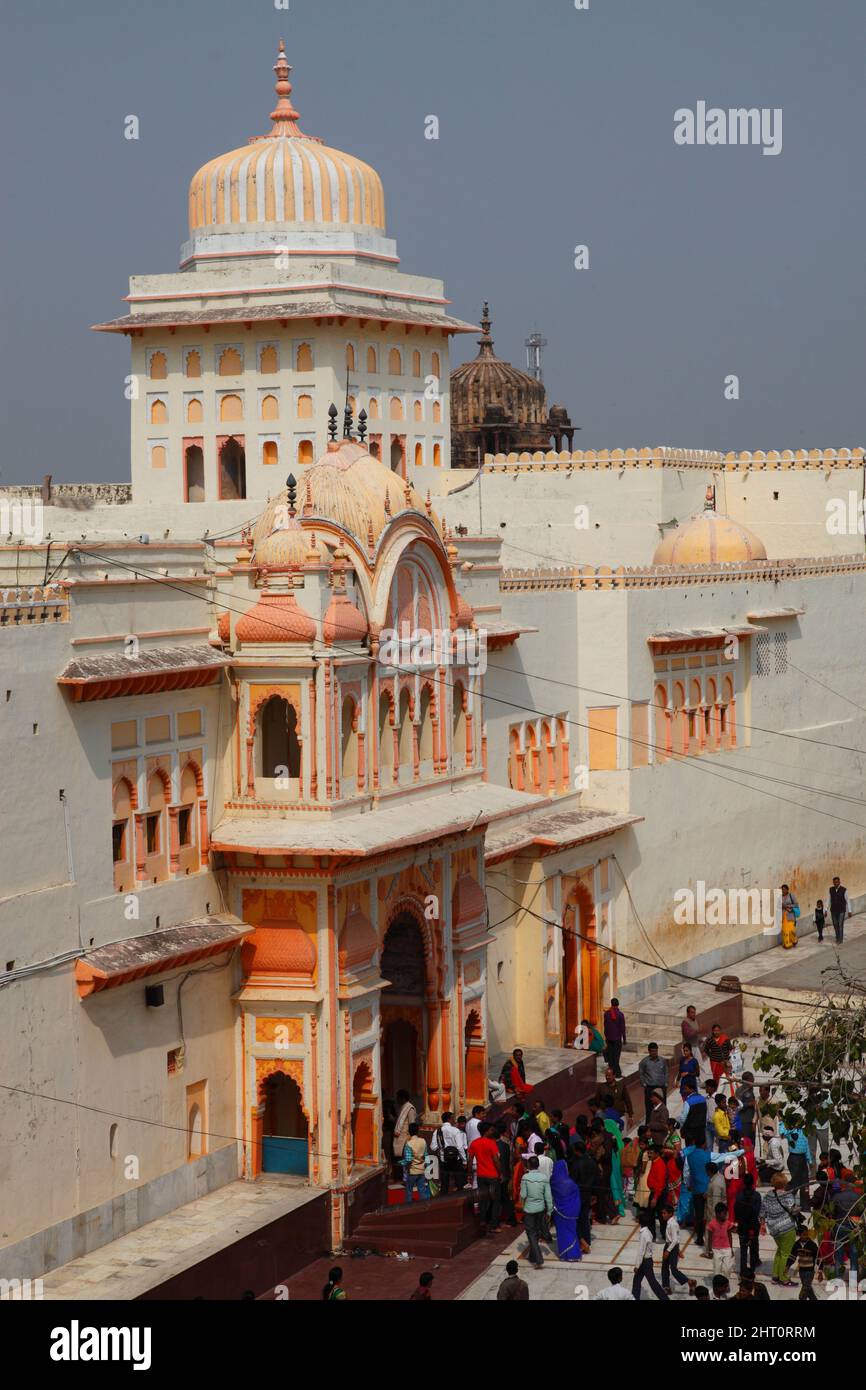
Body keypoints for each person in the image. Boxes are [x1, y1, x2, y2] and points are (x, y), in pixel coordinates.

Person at [763, 1173, 798, 1286]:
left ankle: (775, 1275)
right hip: (786, 1227)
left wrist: (762, 1224)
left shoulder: (768, 1195)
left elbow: (762, 1211)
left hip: (773, 1228)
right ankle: (783, 1277)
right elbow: (793, 1210)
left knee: (780, 1251)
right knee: (785, 1254)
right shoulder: (787, 1195)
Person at [468, 1121, 501, 1234]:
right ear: (486, 1131)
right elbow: (496, 1160)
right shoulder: (491, 1143)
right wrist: (501, 1172)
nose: (492, 1131)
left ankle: (482, 1221)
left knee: (483, 1199)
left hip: (481, 1175)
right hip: (493, 1175)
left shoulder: (474, 1143)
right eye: (491, 1130)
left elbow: (470, 1159)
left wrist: (469, 1173)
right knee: (495, 1200)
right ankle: (494, 1224)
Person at [520, 1155, 553, 1269]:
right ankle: (533, 1256)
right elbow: (548, 1196)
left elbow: (523, 1195)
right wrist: (549, 1211)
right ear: (538, 1165)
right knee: (537, 1232)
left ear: (528, 1165)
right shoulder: (544, 1178)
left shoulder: (525, 1177)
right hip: (541, 1209)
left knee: (531, 1234)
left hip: (529, 1209)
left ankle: (538, 1259)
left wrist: (522, 1205)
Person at [550, 1152, 583, 1261]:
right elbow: (577, 1197)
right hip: (572, 1212)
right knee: (572, 1231)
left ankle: (564, 1255)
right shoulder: (571, 1183)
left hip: (559, 1212)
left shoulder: (553, 1182)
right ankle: (573, 1254)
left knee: (562, 1232)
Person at [632, 1209, 670, 1300]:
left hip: (645, 1262)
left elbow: (641, 1251)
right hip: (647, 1261)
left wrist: (637, 1265)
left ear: (640, 1221)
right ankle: (634, 1297)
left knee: (652, 1283)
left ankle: (664, 1298)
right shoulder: (648, 1232)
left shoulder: (644, 1234)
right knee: (637, 1280)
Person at [684, 1135, 712, 1246]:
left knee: (699, 1214)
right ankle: (709, 1237)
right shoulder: (708, 1155)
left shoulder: (689, 1156)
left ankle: (700, 1237)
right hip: (708, 1188)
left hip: (696, 1188)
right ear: (704, 1144)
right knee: (709, 1213)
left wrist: (688, 1184)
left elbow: (686, 1172)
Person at [431, 1111, 467, 1195]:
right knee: (459, 1183)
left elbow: (433, 1147)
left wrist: (441, 1149)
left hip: (444, 1160)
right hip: (456, 1160)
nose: (454, 1120)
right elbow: (460, 1147)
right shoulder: (456, 1130)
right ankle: (460, 1202)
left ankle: (444, 1202)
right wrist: (464, 1160)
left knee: (444, 1184)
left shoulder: (437, 1131)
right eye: (453, 1118)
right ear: (449, 1119)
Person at [660, 1203, 692, 1294]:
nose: (663, 1215)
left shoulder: (673, 1224)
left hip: (671, 1247)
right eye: (662, 1213)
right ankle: (666, 1287)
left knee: (673, 1269)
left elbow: (674, 1240)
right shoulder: (669, 1222)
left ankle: (689, 1281)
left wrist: (668, 1251)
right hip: (669, 1246)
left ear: (670, 1214)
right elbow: (676, 1238)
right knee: (664, 1267)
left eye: (665, 1213)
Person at [734, 1173, 762, 1276]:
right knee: (754, 1248)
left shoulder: (739, 1196)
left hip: (742, 1226)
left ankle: (743, 1271)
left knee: (743, 1250)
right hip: (753, 1226)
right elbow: (757, 1211)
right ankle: (752, 1269)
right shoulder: (757, 1196)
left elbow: (736, 1210)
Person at [781, 1123, 812, 1210]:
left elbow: (807, 1146)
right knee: (796, 1181)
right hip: (794, 1158)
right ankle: (786, 1200)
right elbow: (782, 1133)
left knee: (805, 1182)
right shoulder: (789, 1131)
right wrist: (784, 1122)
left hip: (803, 1158)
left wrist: (809, 1159)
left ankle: (805, 1204)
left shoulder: (804, 1132)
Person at [787, 1222, 819, 1301]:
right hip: (801, 1271)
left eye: (806, 1234)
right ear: (799, 1235)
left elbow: (818, 1257)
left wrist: (821, 1270)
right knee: (808, 1288)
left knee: (804, 1289)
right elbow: (792, 1256)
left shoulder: (812, 1245)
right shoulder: (796, 1244)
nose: (805, 1236)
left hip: (810, 1271)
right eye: (803, 1235)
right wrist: (787, 1266)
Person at [638, 1043, 668, 1123]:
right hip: (650, 1088)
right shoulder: (644, 1062)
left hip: (661, 1087)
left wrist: (666, 1083)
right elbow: (641, 1072)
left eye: (656, 1051)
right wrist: (643, 1084)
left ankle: (663, 1123)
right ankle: (649, 1125)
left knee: (662, 1107)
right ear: (649, 1051)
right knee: (649, 1108)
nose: (654, 1053)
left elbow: (666, 1072)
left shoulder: (662, 1061)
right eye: (652, 1051)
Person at [402, 1122, 431, 1205]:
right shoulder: (423, 1141)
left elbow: (408, 1160)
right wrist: (428, 1167)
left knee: (409, 1190)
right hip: (421, 1170)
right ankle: (424, 1206)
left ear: (409, 1132)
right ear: (418, 1131)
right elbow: (426, 1155)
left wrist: (401, 1162)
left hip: (412, 1171)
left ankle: (408, 1207)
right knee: (421, 1189)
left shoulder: (408, 1144)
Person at [706, 1201, 735, 1279]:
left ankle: (726, 1283)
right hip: (716, 1250)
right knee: (717, 1270)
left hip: (727, 1249)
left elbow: (730, 1236)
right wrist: (710, 1250)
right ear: (717, 1213)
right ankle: (717, 1285)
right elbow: (710, 1238)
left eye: (726, 1213)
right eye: (724, 1213)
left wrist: (731, 1249)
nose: (725, 1215)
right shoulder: (711, 1224)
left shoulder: (728, 1223)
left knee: (727, 1269)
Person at [704, 1164, 727, 1258]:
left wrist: (714, 1217)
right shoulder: (719, 1177)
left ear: (709, 1171)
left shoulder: (716, 1183)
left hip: (714, 1212)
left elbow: (716, 1202)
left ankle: (710, 1252)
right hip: (716, 1210)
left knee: (710, 1233)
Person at [392, 1090, 417, 1174]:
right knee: (402, 1158)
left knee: (407, 1158)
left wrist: (411, 1139)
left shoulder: (410, 1108)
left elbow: (412, 1124)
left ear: (403, 1098)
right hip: (400, 1137)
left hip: (406, 1138)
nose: (397, 1099)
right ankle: (404, 1177)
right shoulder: (402, 1107)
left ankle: (408, 1178)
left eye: (398, 1097)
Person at [602, 997, 627, 1076]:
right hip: (617, 1039)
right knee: (616, 1056)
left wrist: (606, 1037)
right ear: (618, 1004)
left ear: (611, 1004)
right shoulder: (620, 1015)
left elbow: (605, 1026)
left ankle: (611, 1071)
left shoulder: (606, 1014)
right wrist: (624, 1039)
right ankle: (617, 1073)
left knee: (610, 1055)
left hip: (609, 1038)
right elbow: (622, 1028)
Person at [681, 1079, 708, 1148]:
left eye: (686, 1089)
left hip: (690, 1132)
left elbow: (683, 1118)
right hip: (701, 1130)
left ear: (691, 1089)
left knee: (690, 1150)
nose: (684, 1091)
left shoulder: (688, 1102)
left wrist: (682, 1128)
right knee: (699, 1149)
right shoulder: (703, 1099)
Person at [828, 876, 850, 944]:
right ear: (833, 883)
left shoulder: (844, 890)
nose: (836, 883)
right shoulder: (831, 890)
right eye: (834, 882)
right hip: (833, 910)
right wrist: (825, 909)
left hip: (841, 910)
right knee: (835, 924)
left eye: (837, 882)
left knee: (840, 924)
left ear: (839, 882)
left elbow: (848, 901)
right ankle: (837, 937)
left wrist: (850, 910)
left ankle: (840, 940)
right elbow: (828, 900)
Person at [736, 1072, 756, 1142]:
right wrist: (748, 1104)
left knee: (752, 1143)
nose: (753, 1080)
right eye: (752, 1079)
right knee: (745, 1142)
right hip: (744, 1121)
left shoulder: (751, 1089)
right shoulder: (740, 1090)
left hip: (751, 1121)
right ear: (746, 1080)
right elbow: (737, 1105)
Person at [779, 883, 799, 949]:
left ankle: (794, 940)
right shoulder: (780, 897)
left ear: (787, 890)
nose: (783, 891)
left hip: (790, 916)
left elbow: (796, 904)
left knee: (791, 930)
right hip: (784, 916)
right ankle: (787, 944)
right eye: (782, 890)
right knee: (785, 930)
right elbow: (778, 906)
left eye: (784, 889)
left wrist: (789, 906)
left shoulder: (791, 896)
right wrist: (781, 906)